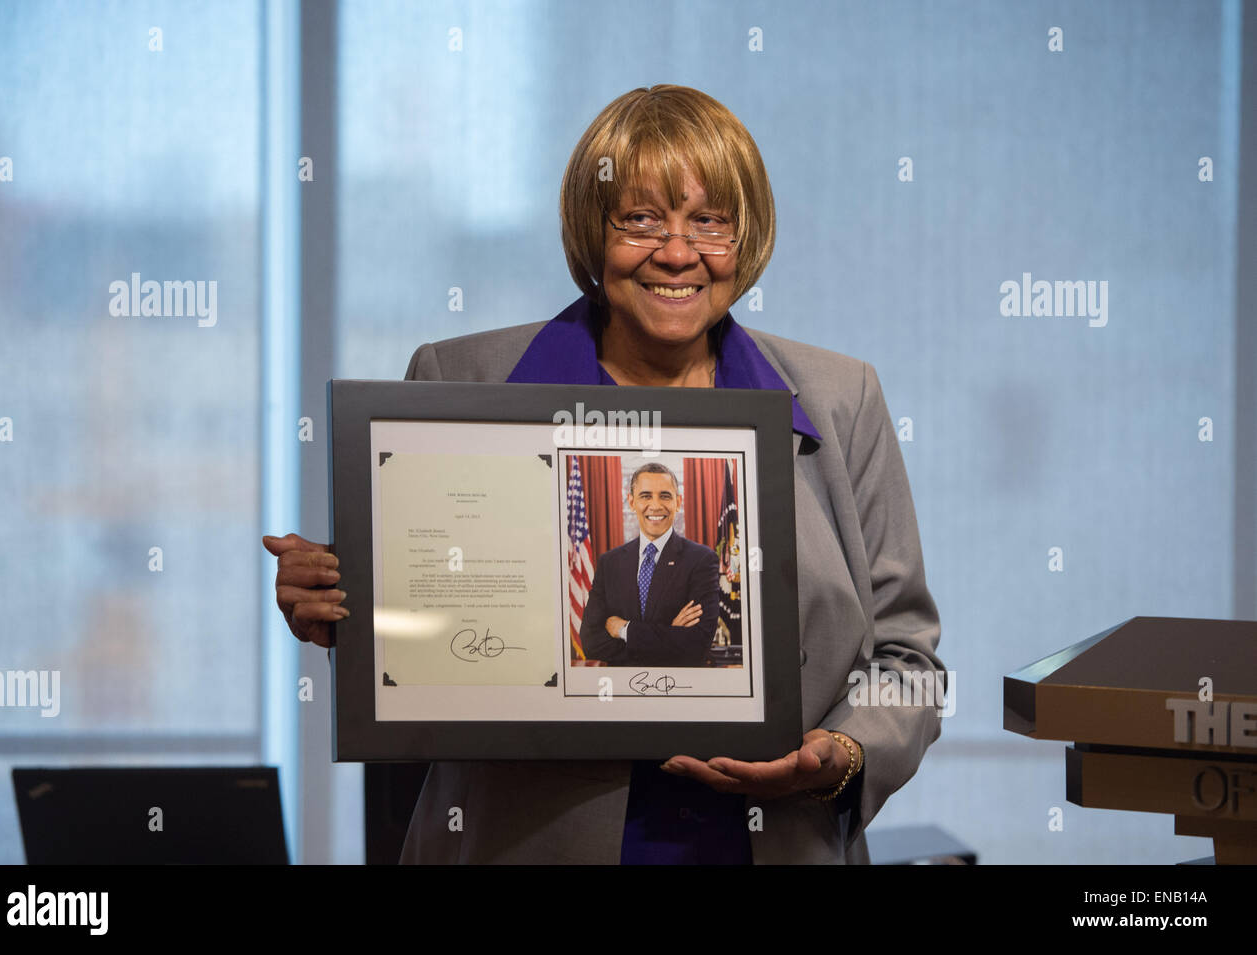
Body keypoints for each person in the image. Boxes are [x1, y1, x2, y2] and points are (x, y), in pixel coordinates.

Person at [263, 84, 945, 864]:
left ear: (743, 238)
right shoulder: (461, 379)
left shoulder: (841, 398)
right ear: (595, 230)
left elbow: (910, 664)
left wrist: (842, 754)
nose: (678, 252)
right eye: (641, 219)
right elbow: (435, 632)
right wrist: (346, 614)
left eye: (708, 222)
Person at [579, 463, 720, 668]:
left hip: (676, 689)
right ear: (631, 502)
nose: (655, 505)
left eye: (665, 496)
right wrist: (669, 635)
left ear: (678, 502)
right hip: (622, 691)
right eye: (645, 496)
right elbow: (591, 642)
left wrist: (624, 630)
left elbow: (697, 643)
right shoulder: (609, 563)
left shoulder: (701, 560)